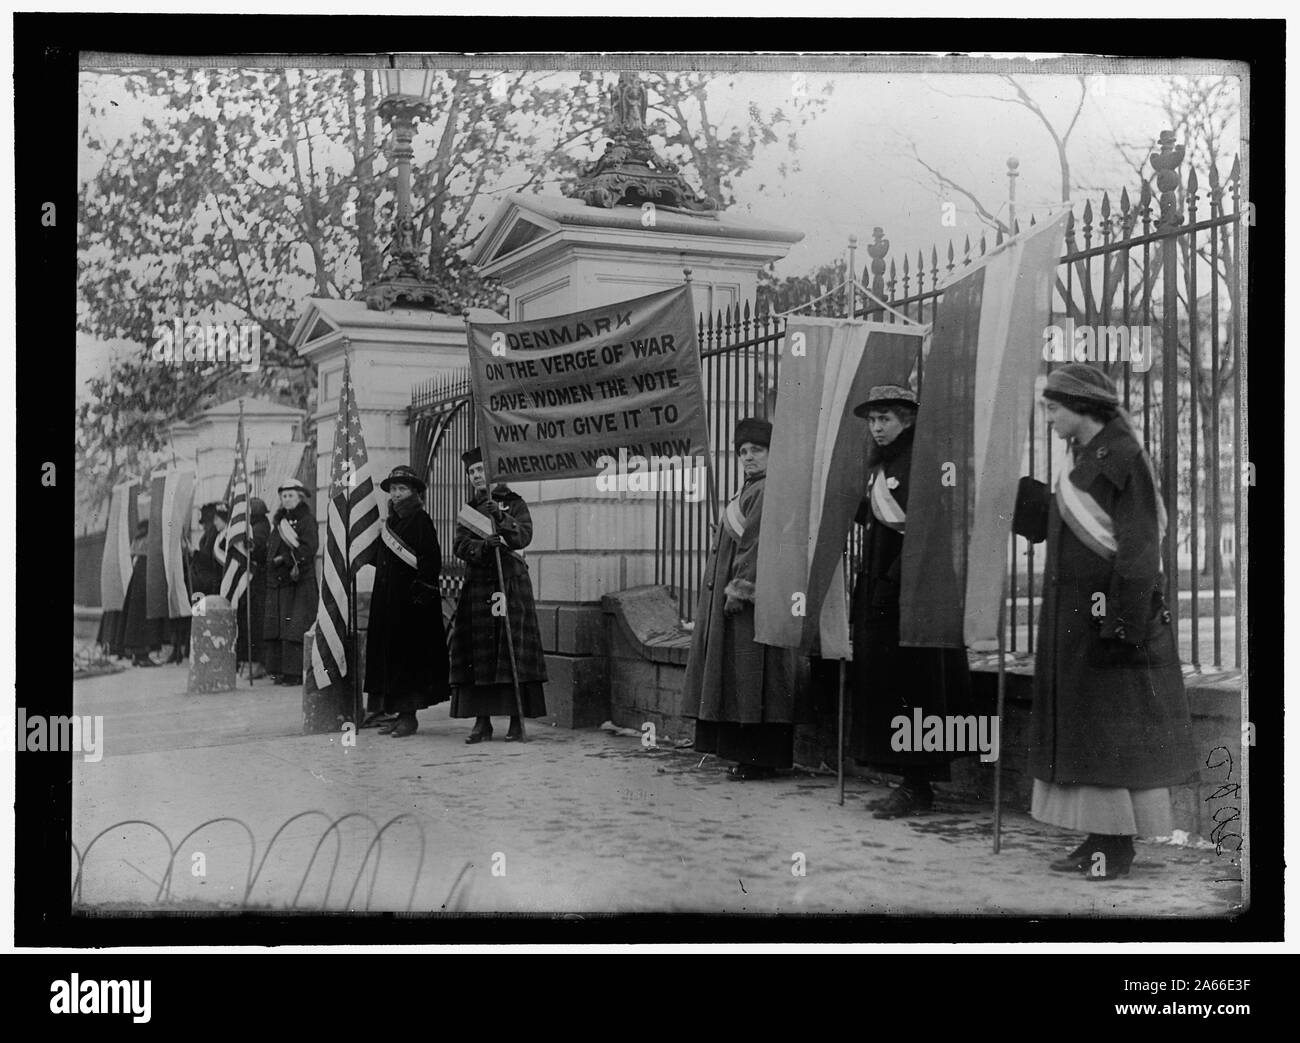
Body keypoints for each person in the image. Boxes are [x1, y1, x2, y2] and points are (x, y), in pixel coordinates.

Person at [1013, 363, 1195, 880]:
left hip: (1110, 623)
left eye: (1053, 408)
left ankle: (1116, 850)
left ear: (1082, 408)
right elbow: (1062, 523)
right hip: (1077, 620)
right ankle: (1098, 840)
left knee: (1111, 738)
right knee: (1089, 734)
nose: (1047, 417)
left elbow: (1139, 551)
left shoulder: (1122, 458)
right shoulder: (1089, 455)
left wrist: (1122, 625)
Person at [847, 385, 972, 818]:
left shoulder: (921, 459)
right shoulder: (883, 463)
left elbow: (929, 526)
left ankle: (917, 784)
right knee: (892, 686)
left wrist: (895, 582)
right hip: (885, 586)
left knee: (915, 686)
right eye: (873, 420)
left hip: (911, 591)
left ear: (908, 420)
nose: (878, 428)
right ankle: (908, 780)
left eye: (886, 419)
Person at [683, 417, 805, 780]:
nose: (748, 457)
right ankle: (750, 756)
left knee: (755, 678)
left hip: (749, 603)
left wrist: (741, 587)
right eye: (743, 452)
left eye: (757, 450)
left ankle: (758, 758)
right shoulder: (750, 488)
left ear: (773, 452)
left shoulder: (767, 489)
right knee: (743, 678)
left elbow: (756, 544)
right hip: (733, 598)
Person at [448, 448, 547, 742]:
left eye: (481, 469)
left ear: (493, 471)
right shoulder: (468, 510)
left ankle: (516, 720)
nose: (477, 476)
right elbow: (459, 545)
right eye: (472, 472)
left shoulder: (515, 503)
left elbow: (524, 536)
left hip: (510, 584)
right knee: (480, 655)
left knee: (510, 650)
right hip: (480, 585)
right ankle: (482, 722)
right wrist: (481, 547)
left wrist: (501, 520)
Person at [364, 466, 451, 738]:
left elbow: (431, 560)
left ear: (414, 492)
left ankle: (408, 717)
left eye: (402, 489)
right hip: (387, 602)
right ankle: (395, 712)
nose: (397, 494)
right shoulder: (390, 523)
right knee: (390, 659)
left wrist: (419, 595)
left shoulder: (420, 520)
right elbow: (380, 559)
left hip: (411, 605)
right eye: (393, 489)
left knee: (408, 662)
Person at [263, 479, 318, 686]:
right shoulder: (279, 522)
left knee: (295, 627)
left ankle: (294, 673)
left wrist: (285, 559)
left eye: (290, 496)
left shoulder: (307, 521)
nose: (286, 500)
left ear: (299, 497)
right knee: (279, 627)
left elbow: (309, 547)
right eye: (284, 496)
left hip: (300, 581)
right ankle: (278, 671)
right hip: (281, 582)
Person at [116, 520, 165, 667]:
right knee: (143, 614)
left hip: (138, 574)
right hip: (146, 574)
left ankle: (137, 654)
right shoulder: (150, 537)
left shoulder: (138, 538)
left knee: (136, 615)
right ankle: (142, 654)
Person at [235, 497, 270, 680]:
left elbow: (257, 550)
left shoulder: (260, 528)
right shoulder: (257, 527)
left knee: (255, 622)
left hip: (257, 581)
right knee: (249, 621)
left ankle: (256, 662)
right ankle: (249, 660)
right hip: (253, 581)